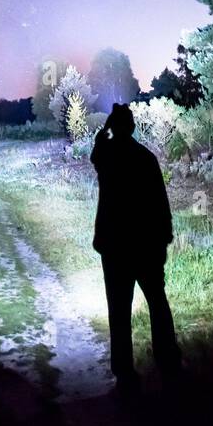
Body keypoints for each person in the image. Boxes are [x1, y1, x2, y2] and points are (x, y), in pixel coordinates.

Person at [90, 102, 182, 391]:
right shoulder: (146, 158)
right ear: (132, 127)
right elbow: (160, 201)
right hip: (145, 246)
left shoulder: (105, 156)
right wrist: (164, 238)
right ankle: (168, 362)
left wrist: (105, 129)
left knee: (118, 310)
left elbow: (96, 150)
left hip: (114, 247)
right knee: (157, 302)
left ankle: (124, 372)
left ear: (113, 127)